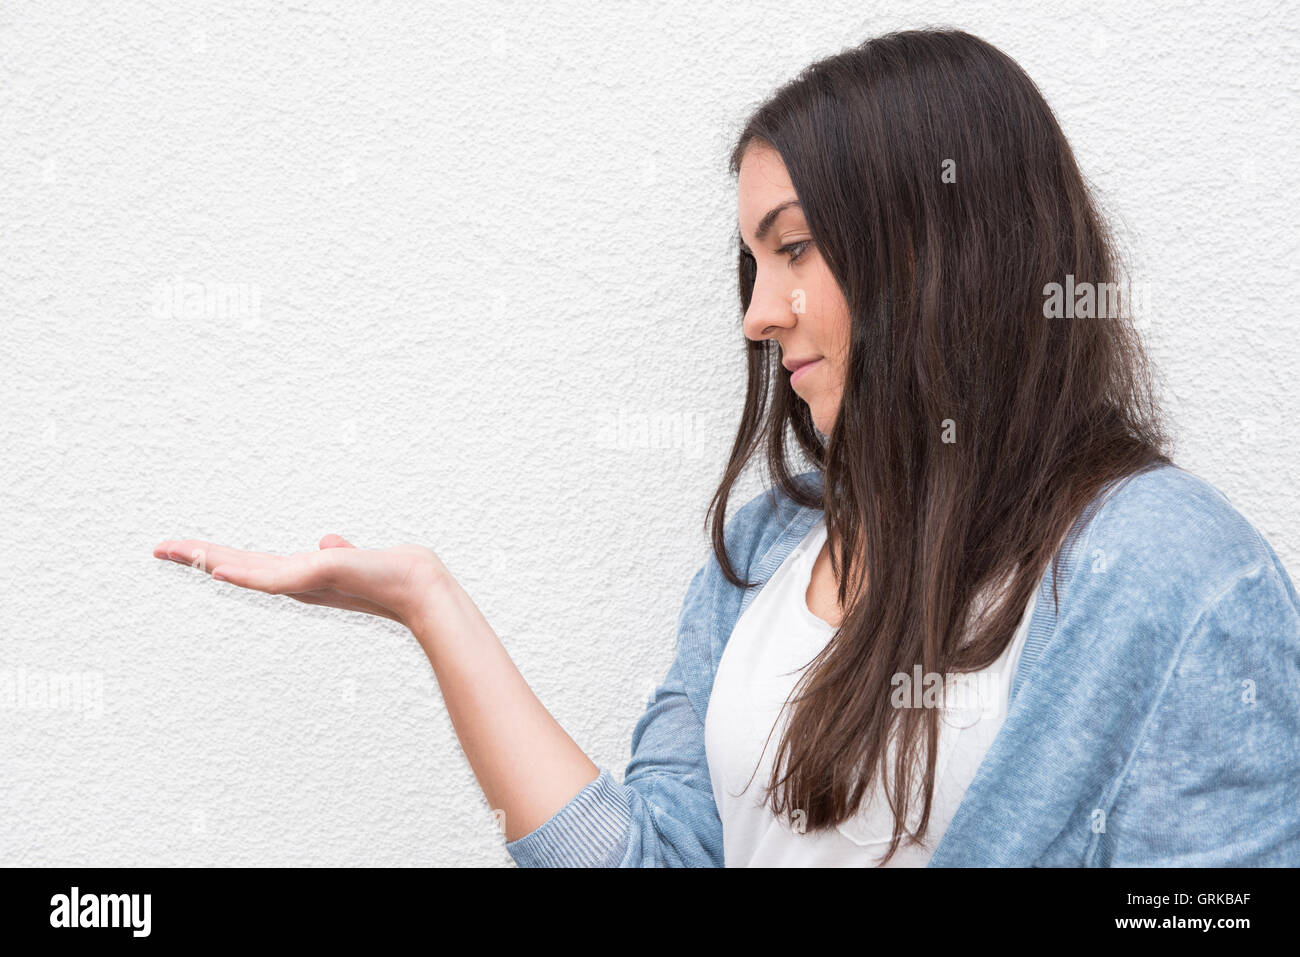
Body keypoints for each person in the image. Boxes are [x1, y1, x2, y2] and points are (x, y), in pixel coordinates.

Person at [153, 28, 1300, 866]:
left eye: (794, 249)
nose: (757, 313)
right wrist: (427, 604)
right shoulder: (767, 548)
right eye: (751, 265)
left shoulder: (1172, 575)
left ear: (946, 249)